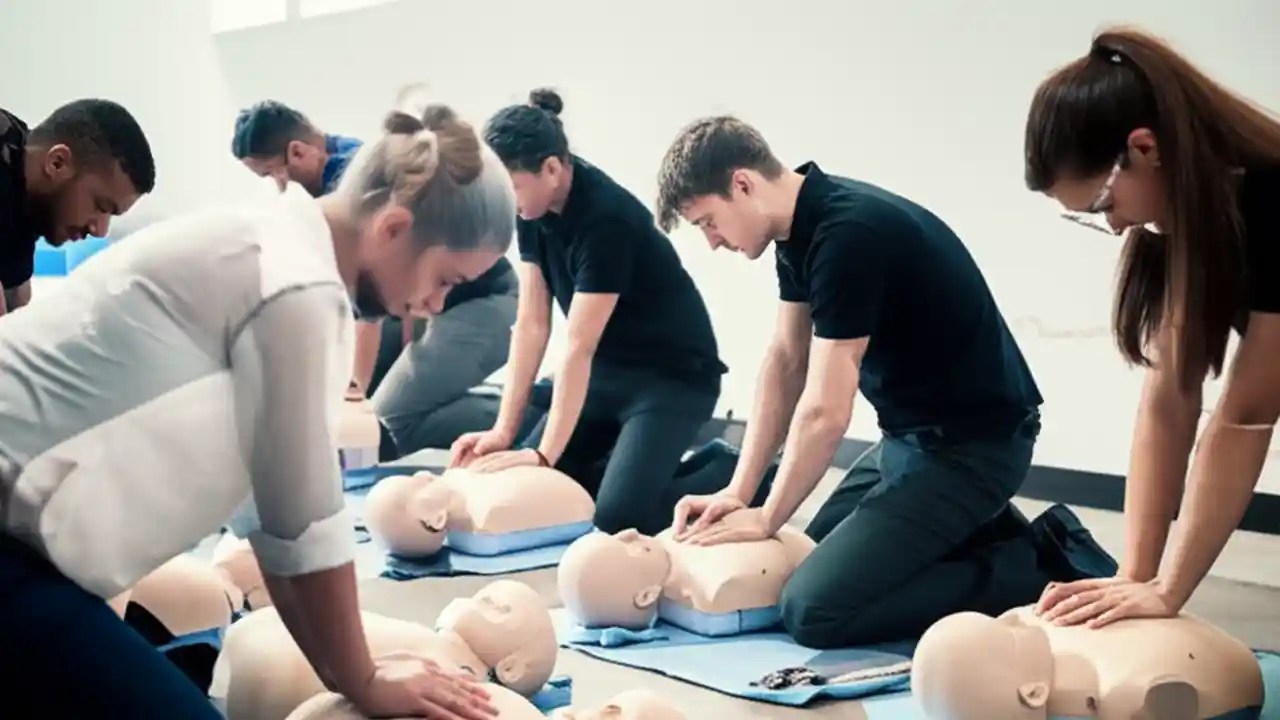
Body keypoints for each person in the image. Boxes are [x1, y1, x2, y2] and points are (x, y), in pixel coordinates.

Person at [0, 101, 514, 719]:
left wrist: (347, 673)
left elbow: (274, 528)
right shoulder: (294, 285)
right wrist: (365, 679)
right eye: (446, 281)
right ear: (393, 229)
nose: (433, 305)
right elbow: (305, 521)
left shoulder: (270, 247)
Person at [654, 115, 1110, 649]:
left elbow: (825, 412)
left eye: (708, 222)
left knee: (813, 610)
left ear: (742, 185)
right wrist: (739, 492)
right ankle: (977, 526)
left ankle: (1036, 560)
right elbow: (786, 360)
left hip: (974, 450)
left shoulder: (849, 235)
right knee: (805, 561)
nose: (712, 242)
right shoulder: (798, 231)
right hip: (908, 443)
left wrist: (768, 517)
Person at [1024, 28, 1280, 629]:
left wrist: (1168, 591)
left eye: (1102, 206)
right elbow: (1169, 397)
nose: (1114, 228)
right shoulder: (1187, 215)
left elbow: (1246, 415)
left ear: (1143, 148)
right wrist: (1135, 577)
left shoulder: (1272, 199)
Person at [452, 88, 734, 536]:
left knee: (616, 518)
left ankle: (730, 471)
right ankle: (616, 466)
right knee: (533, 489)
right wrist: (503, 432)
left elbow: (578, 346)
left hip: (672, 379)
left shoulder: (606, 219)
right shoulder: (529, 212)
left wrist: (544, 454)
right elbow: (531, 325)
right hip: (605, 372)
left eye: (511, 188)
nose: (504, 201)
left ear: (551, 169)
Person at [233, 100, 520, 456]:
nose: (276, 185)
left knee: (382, 422)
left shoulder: (350, 179)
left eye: (271, 173)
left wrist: (353, 396)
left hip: (485, 303)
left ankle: (520, 415)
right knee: (373, 417)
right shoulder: (347, 193)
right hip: (423, 291)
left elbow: (368, 314)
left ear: (298, 152)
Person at [0, 98, 155, 316]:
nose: (100, 231)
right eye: (101, 206)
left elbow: (17, 300)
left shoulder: (26, 200)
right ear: (57, 163)